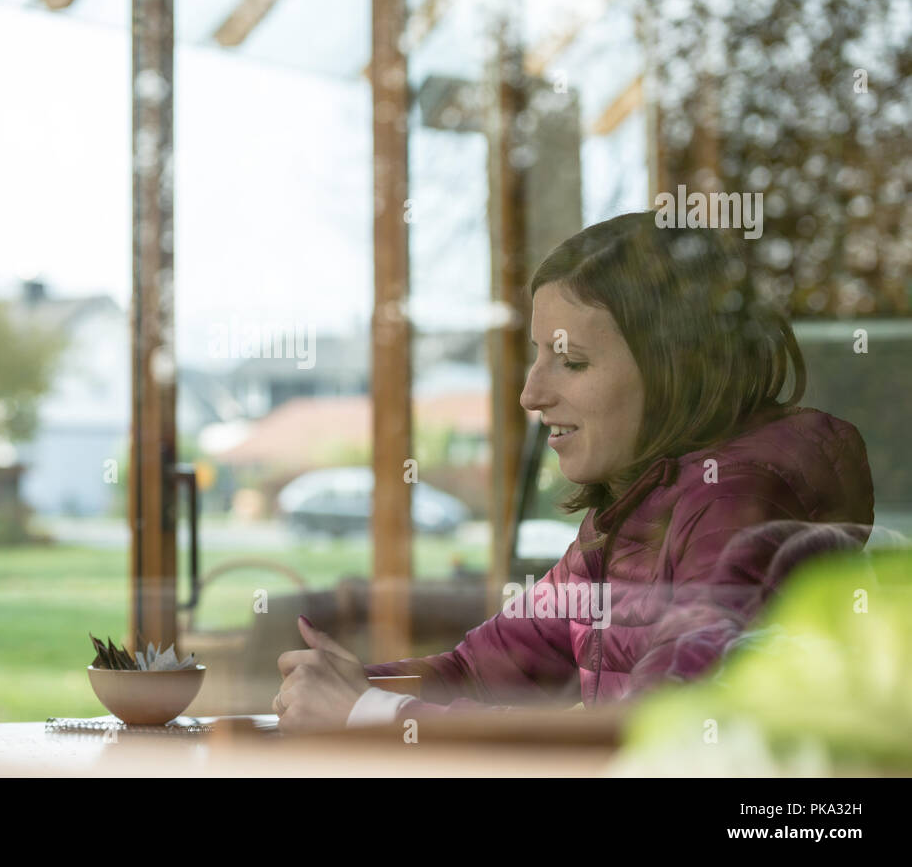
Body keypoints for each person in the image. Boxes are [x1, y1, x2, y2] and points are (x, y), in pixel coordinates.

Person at [272, 211, 875, 733]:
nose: (530, 394)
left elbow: (649, 743)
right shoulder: (634, 511)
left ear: (675, 371)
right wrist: (348, 688)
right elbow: (482, 673)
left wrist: (370, 713)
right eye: (537, 357)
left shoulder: (741, 504)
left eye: (573, 362)